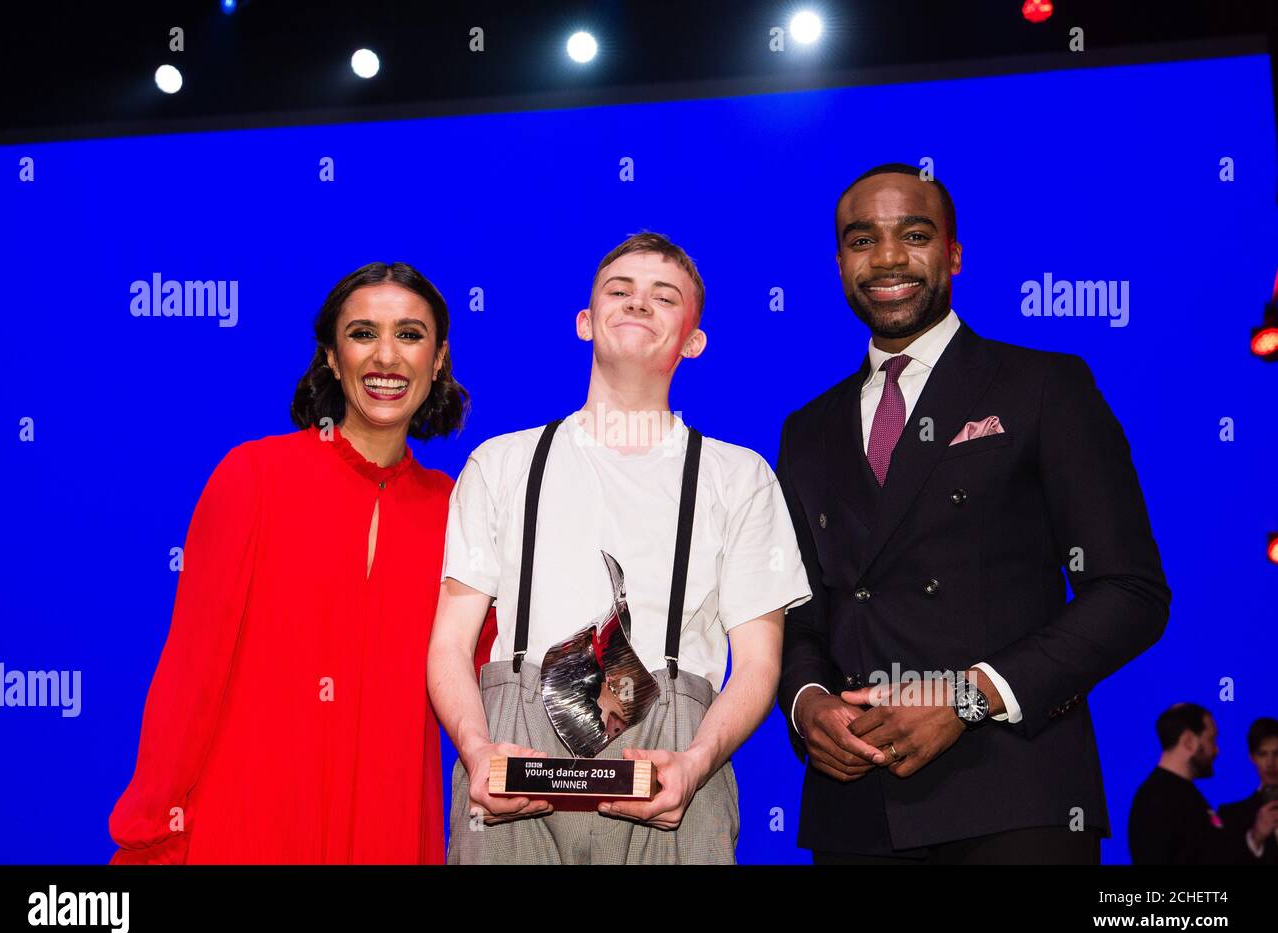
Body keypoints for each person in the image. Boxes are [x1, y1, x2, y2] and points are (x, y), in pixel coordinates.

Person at [776, 163, 1171, 864]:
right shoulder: (806, 429)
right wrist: (807, 704)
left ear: (954, 253)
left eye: (915, 234)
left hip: (1013, 801)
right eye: (862, 240)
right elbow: (801, 616)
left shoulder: (1043, 385)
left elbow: (1131, 592)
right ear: (839, 263)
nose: (889, 257)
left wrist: (968, 696)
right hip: (855, 813)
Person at [428, 231, 812, 864]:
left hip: (674, 762)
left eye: (664, 297)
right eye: (620, 291)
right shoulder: (500, 463)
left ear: (693, 340)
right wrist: (477, 750)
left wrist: (694, 764)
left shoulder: (738, 476)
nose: (638, 304)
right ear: (585, 322)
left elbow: (760, 664)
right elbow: (448, 642)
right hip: (511, 755)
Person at [109, 262, 486, 863]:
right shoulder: (253, 478)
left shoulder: (460, 507)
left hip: (386, 829)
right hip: (248, 820)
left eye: (410, 335)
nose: (386, 356)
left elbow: (493, 680)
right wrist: (154, 825)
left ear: (438, 358)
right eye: (363, 333)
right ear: (333, 359)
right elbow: (190, 675)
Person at [1128, 704, 1275, 864]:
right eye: (1211, 739)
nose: (1216, 750)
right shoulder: (1157, 798)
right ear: (1189, 741)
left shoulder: (1180, 794)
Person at [1217, 716, 1278, 864]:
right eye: (1262, 754)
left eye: (1277, 754)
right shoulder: (1232, 816)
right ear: (1252, 757)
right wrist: (1255, 837)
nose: (1270, 763)